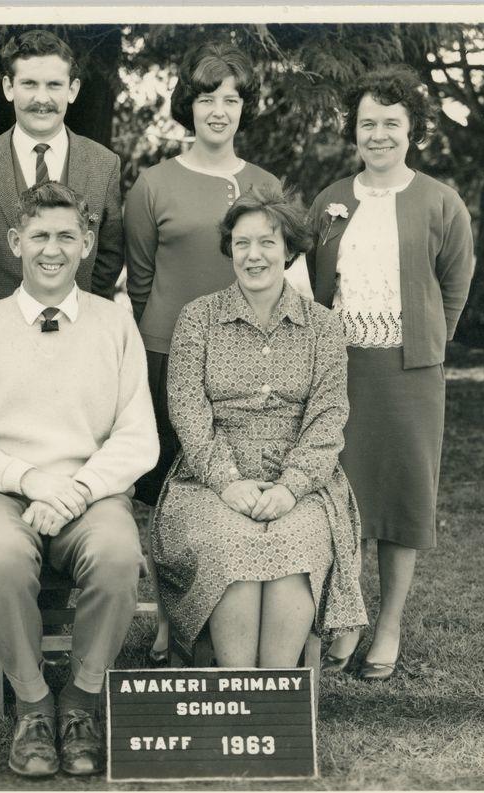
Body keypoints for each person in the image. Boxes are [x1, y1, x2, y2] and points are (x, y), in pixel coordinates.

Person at [0, 181, 158, 778]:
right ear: (15, 242)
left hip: (90, 492)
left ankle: (81, 701)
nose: (52, 249)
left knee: (117, 556)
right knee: (4, 558)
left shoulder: (115, 326)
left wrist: (78, 491)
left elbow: (139, 437)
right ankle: (34, 705)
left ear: (87, 243)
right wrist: (28, 479)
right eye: (39, 236)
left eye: (66, 235)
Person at [151, 187, 367, 668]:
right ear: (230, 249)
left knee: (294, 544)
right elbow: (187, 411)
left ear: (289, 250)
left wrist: (291, 488)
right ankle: (237, 686)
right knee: (234, 547)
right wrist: (227, 482)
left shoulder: (323, 327)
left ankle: (275, 694)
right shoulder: (198, 319)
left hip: (304, 484)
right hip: (210, 480)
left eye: (268, 243)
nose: (254, 255)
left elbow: (328, 418)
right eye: (243, 243)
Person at [307, 66, 474, 681]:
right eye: (367, 123)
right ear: (354, 131)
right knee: (343, 497)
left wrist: (428, 339)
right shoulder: (330, 200)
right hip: (340, 370)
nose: (378, 135)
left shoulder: (439, 200)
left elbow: (455, 285)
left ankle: (389, 626)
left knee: (402, 500)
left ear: (414, 131)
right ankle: (345, 619)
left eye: (392, 124)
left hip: (410, 374)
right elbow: (315, 282)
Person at [123, 42, 282, 662]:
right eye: (206, 98)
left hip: (248, 360)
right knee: (169, 493)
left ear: (245, 108)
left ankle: (229, 609)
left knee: (235, 486)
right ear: (186, 106)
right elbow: (139, 279)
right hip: (169, 353)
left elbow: (273, 266)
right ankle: (170, 620)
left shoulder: (264, 185)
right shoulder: (154, 183)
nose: (219, 110)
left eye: (232, 99)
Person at [0, 29, 124, 311]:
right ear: (9, 87)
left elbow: (109, 256)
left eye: (54, 85)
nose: (41, 98)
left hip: (75, 331)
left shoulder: (103, 164)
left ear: (72, 89)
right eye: (29, 84)